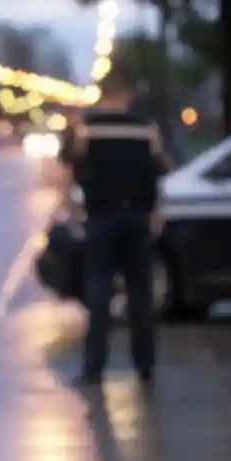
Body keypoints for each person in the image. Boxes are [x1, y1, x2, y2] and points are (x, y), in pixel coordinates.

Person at [59, 105, 170, 386]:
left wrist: (79, 202)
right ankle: (145, 364)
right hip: (138, 217)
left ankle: (94, 367)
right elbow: (161, 167)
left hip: (101, 216)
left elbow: (72, 164)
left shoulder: (89, 126)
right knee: (140, 294)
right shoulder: (146, 125)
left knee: (98, 292)